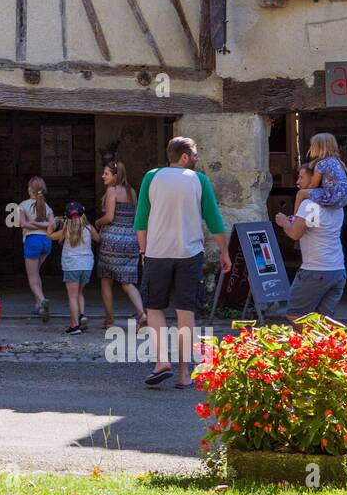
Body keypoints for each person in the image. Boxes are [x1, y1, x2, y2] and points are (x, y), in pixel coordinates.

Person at [133, 136, 232, 389]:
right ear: (185, 156)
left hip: (158, 253)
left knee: (154, 308)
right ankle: (183, 373)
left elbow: (141, 220)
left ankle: (161, 361)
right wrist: (224, 252)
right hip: (189, 254)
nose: (197, 159)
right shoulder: (199, 181)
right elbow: (214, 220)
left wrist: (143, 250)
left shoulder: (151, 177)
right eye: (195, 154)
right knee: (185, 313)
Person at [277, 162, 347, 319]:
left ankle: (313, 343)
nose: (298, 182)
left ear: (315, 179)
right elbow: (316, 224)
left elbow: (295, 234)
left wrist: (284, 222)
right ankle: (322, 344)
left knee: (295, 314)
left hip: (315, 269)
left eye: (301, 177)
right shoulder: (337, 205)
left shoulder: (310, 204)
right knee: (323, 320)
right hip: (337, 269)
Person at [94, 160, 147, 329]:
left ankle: (109, 320)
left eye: (106, 173)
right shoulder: (132, 192)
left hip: (112, 240)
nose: (103, 176)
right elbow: (136, 217)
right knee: (127, 282)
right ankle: (142, 313)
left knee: (106, 280)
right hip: (130, 239)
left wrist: (97, 222)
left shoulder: (111, 191)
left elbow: (109, 217)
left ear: (115, 175)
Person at [47, 201, 94, 334]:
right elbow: (98, 238)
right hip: (87, 266)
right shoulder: (89, 228)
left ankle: (74, 326)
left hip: (72, 266)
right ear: (83, 214)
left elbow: (49, 235)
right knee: (79, 292)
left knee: (72, 296)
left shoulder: (65, 231)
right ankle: (82, 315)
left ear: (66, 217)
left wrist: (53, 222)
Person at [19, 176, 54, 320]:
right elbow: (51, 224)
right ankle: (38, 306)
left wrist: (33, 223)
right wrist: (41, 224)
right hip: (46, 241)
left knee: (32, 277)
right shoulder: (46, 206)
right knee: (36, 273)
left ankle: (42, 299)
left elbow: (23, 224)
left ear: (29, 189)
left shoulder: (23, 205)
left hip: (32, 241)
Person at [296, 132, 347, 210]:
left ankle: (295, 218)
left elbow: (313, 185)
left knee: (300, 193)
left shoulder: (321, 164)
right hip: (345, 197)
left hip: (331, 196)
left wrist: (305, 190)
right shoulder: (336, 161)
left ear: (318, 148)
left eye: (312, 146)